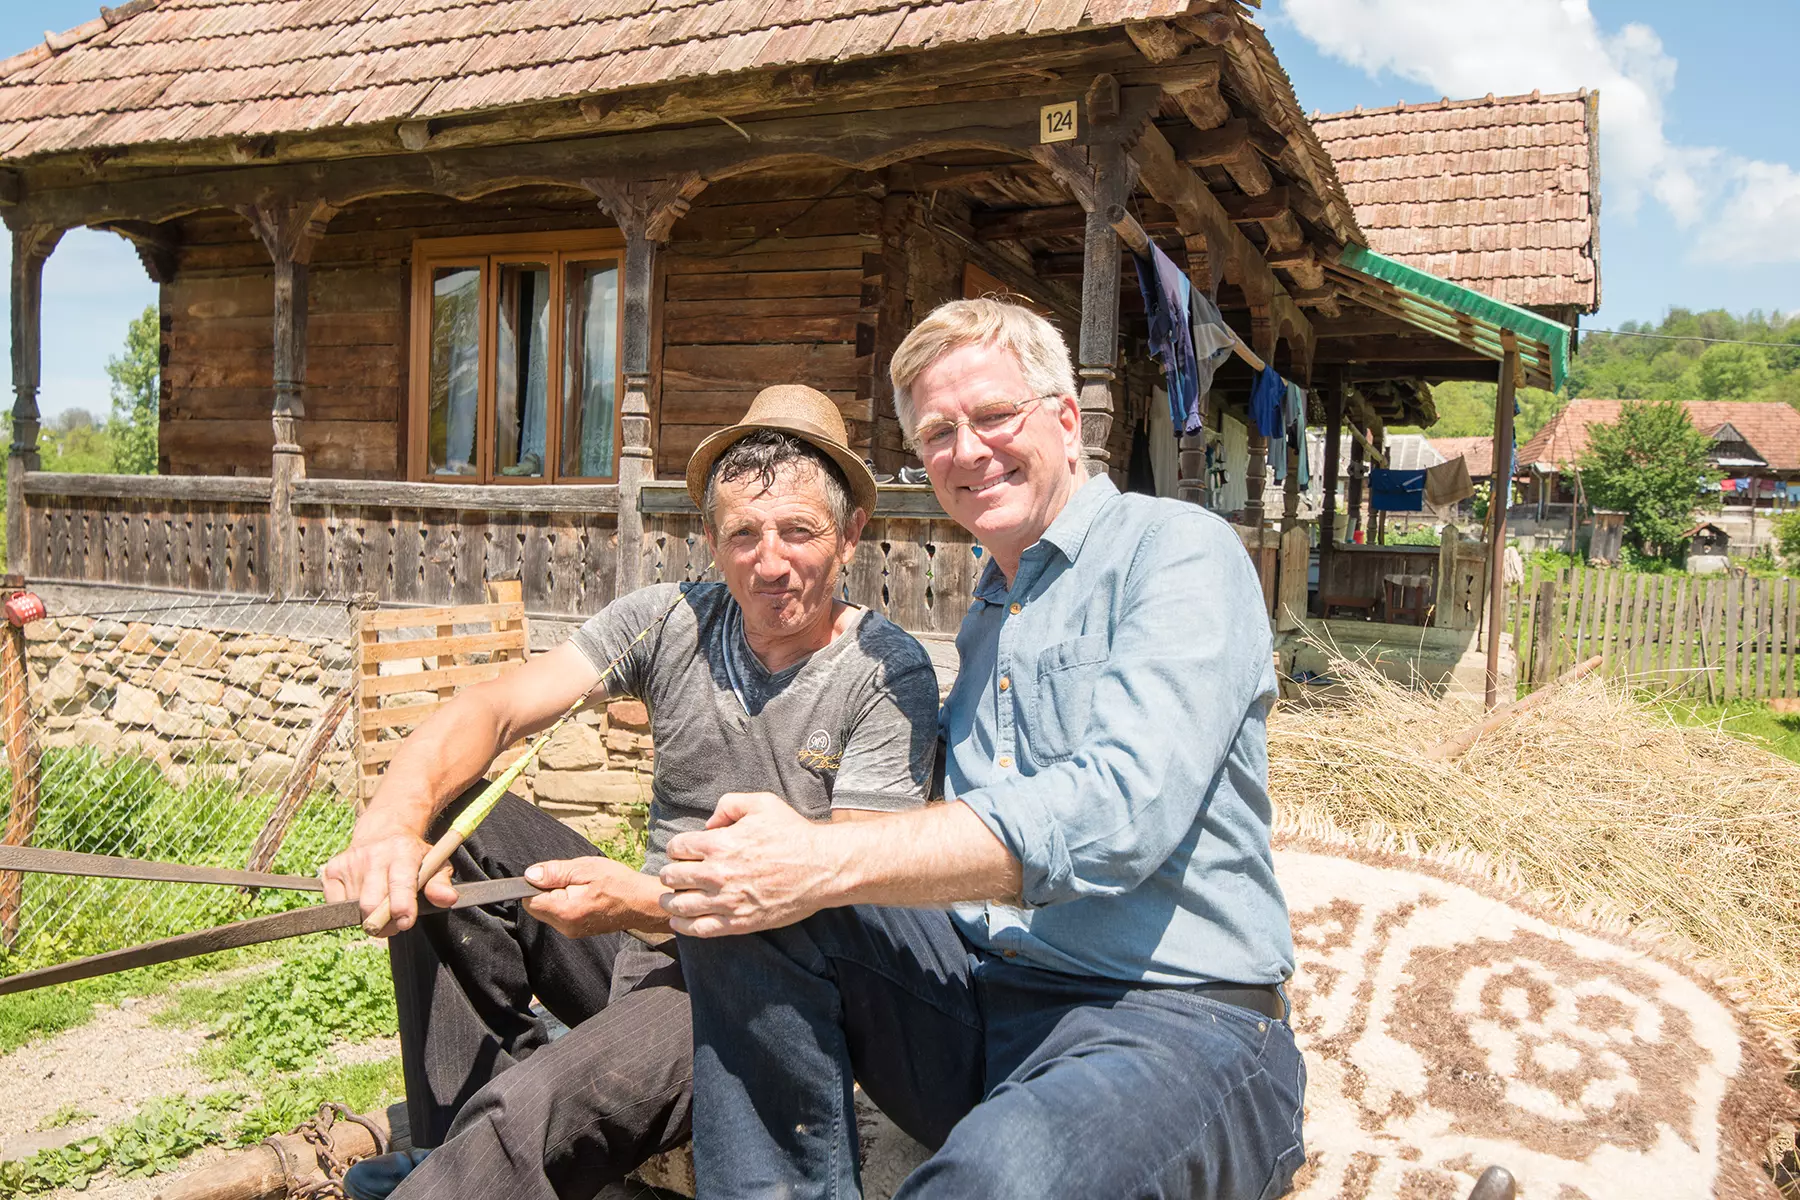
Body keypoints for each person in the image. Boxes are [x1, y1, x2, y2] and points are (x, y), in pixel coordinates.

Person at [663, 300, 1306, 1199]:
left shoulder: (1176, 552)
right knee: (743, 894)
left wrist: (826, 856)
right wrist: (776, 865)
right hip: (989, 1008)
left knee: (1003, 1177)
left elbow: (1121, 810)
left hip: (1175, 1021)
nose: (967, 451)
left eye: (995, 416)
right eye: (938, 432)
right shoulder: (990, 615)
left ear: (1068, 419)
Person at [320, 385, 941, 1200]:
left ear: (851, 535)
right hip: (648, 949)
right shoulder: (668, 620)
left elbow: (852, 901)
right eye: (744, 534)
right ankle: (455, 1158)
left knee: (534, 1106)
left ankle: (466, 1167)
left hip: (766, 984)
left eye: (800, 531)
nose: (771, 561)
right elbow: (496, 708)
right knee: (454, 830)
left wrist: (641, 902)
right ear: (712, 543)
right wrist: (393, 828)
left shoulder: (885, 675)